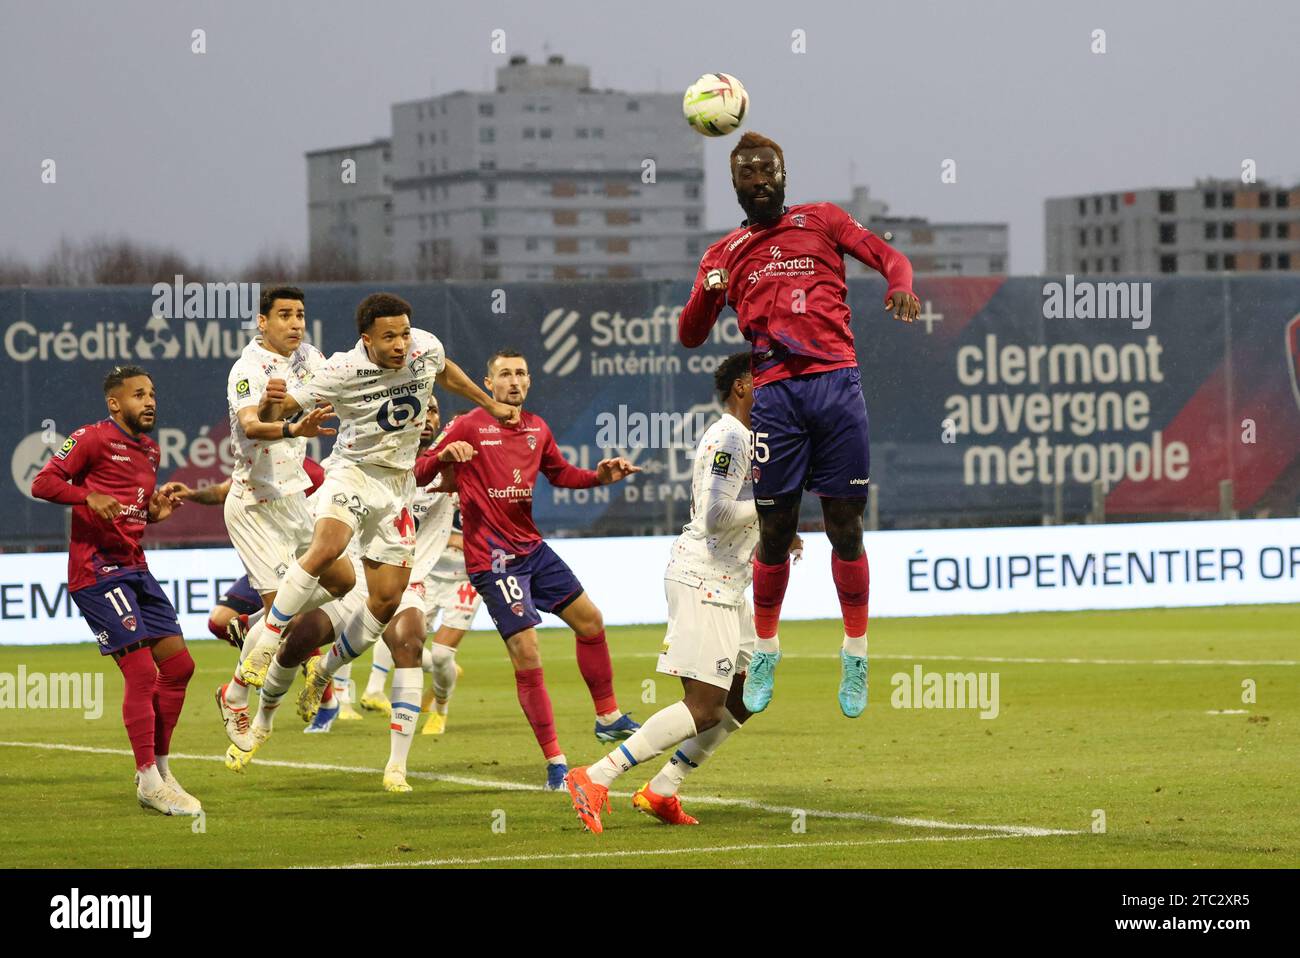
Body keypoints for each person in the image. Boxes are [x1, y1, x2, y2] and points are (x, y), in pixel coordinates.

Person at [677, 130, 920, 718]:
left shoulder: (823, 219)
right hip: (777, 398)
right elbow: (690, 334)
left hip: (836, 385)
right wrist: (710, 295)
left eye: (768, 171)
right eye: (747, 174)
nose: (759, 181)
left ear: (784, 176)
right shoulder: (723, 255)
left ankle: (856, 652)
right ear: (734, 185)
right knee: (776, 531)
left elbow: (890, 256)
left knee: (844, 527)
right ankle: (764, 650)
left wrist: (900, 285)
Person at [248, 293, 516, 775]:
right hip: (352, 474)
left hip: (395, 488)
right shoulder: (341, 371)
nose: (400, 344)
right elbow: (282, 408)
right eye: (389, 337)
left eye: (404, 333)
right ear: (366, 339)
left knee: (388, 603)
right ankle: (265, 659)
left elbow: (443, 368)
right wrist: (270, 408)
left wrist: (488, 403)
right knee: (323, 558)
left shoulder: (423, 349)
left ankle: (327, 674)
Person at [567, 353, 787, 832]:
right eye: (770, 381)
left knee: (749, 692)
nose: (781, 389)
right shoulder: (729, 435)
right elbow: (717, 517)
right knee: (705, 706)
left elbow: (744, 515)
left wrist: (779, 530)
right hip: (702, 579)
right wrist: (776, 507)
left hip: (729, 585)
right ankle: (595, 775)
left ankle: (663, 790)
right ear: (744, 386)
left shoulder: (752, 439)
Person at [415, 349, 641, 790]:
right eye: (504, 374)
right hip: (492, 559)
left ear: (529, 381)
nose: (514, 381)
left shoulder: (537, 428)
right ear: (488, 381)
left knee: (591, 621)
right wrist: (445, 457)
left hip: (532, 549)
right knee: (528, 650)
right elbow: (421, 472)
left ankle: (608, 717)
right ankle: (556, 762)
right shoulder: (467, 425)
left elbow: (561, 474)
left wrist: (599, 477)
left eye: (520, 373)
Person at [30, 365, 199, 816]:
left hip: (135, 568)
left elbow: (131, 512)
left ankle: (162, 771)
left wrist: (155, 513)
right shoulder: (90, 437)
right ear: (114, 403)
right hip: (97, 571)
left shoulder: (149, 450)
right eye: (138, 395)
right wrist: (85, 495)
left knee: (180, 666)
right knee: (143, 674)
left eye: (152, 394)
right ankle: (146, 778)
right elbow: (42, 481)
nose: (149, 401)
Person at [209, 286, 353, 751]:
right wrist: (291, 423)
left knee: (345, 581)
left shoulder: (309, 356)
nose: (295, 324)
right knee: (284, 618)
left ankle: (255, 624)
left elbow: (343, 384)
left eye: (301, 315)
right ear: (262, 322)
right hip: (254, 505)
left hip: (295, 500)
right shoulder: (247, 369)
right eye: (285, 315)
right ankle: (233, 694)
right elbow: (253, 425)